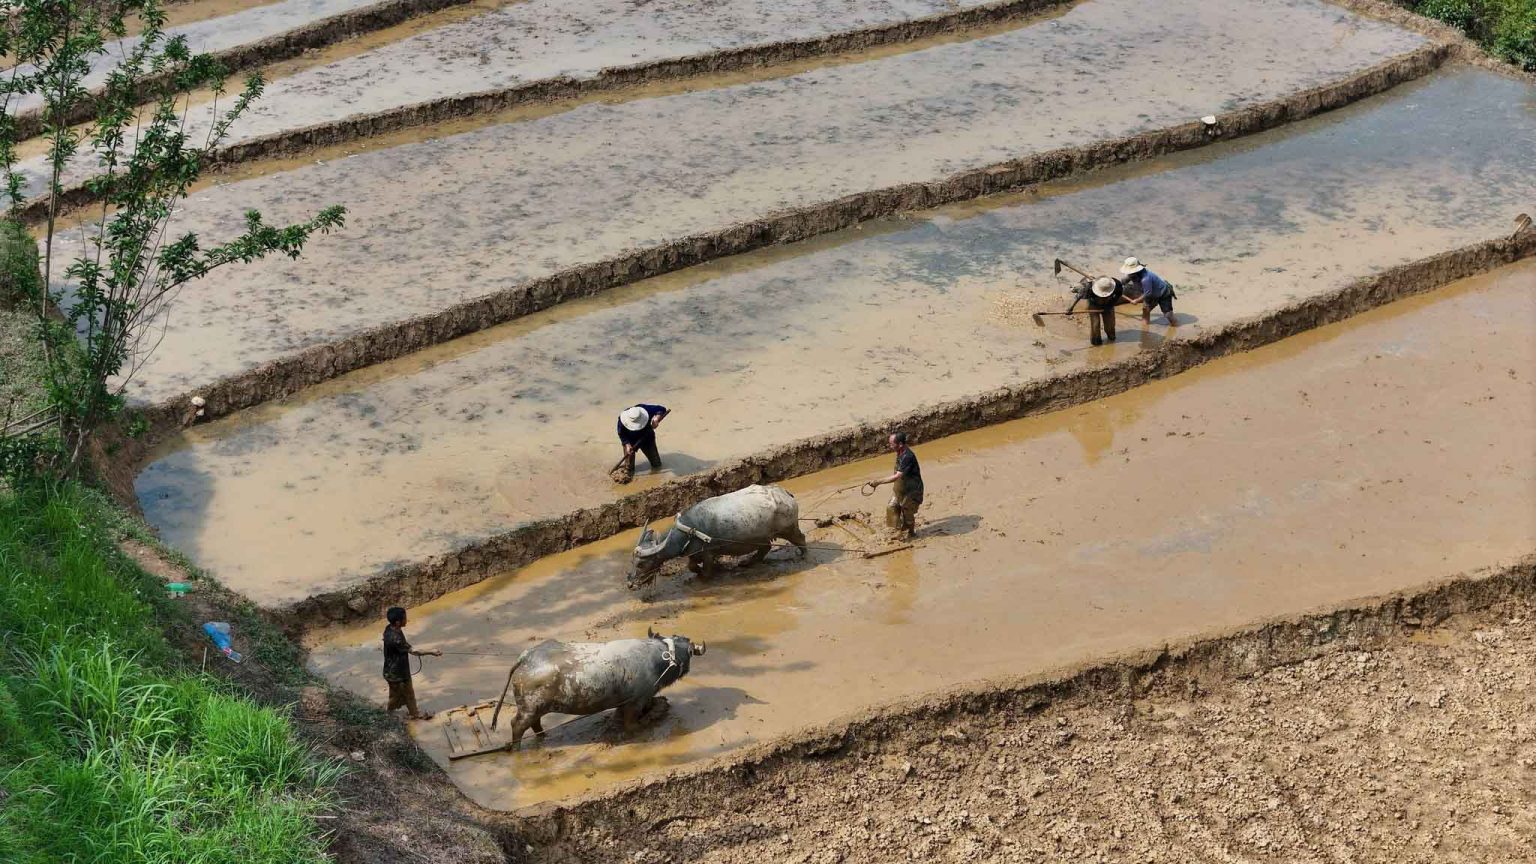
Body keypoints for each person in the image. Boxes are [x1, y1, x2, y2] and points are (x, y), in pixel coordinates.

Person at [382, 606, 440, 721]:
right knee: (404, 694)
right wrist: (432, 652)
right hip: (397, 673)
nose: (406, 620)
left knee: (399, 694)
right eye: (405, 618)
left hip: (392, 670)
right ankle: (408, 714)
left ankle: (400, 713)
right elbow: (414, 651)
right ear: (398, 622)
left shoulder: (389, 628)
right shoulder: (395, 638)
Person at [865, 431, 924, 539]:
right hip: (901, 487)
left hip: (912, 490)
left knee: (908, 513)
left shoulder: (907, 456)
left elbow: (897, 476)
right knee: (891, 507)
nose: (890, 446)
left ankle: (911, 533)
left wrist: (878, 482)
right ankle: (897, 530)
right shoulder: (900, 452)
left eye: (892, 444)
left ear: (900, 444)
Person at [615, 403, 670, 482]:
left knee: (656, 464)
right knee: (629, 468)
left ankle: (655, 479)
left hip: (647, 438)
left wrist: (656, 419)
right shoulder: (622, 420)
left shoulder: (645, 410)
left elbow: (661, 409)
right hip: (630, 441)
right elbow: (621, 434)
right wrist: (627, 444)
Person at [1066, 276, 1126, 346]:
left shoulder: (1116, 285)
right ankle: (1096, 343)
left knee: (1109, 326)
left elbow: (1118, 295)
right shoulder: (1088, 287)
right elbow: (1077, 296)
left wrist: (1110, 304)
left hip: (1108, 303)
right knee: (1095, 325)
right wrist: (1070, 308)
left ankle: (1111, 339)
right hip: (1094, 304)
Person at [1119, 256, 1176, 324]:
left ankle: (1175, 325)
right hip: (1151, 295)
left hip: (1163, 293)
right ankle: (1145, 328)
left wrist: (1136, 300)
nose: (1128, 273)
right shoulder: (1131, 275)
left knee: (1168, 315)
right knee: (1146, 310)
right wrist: (1118, 286)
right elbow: (1123, 282)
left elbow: (1147, 293)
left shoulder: (1146, 279)